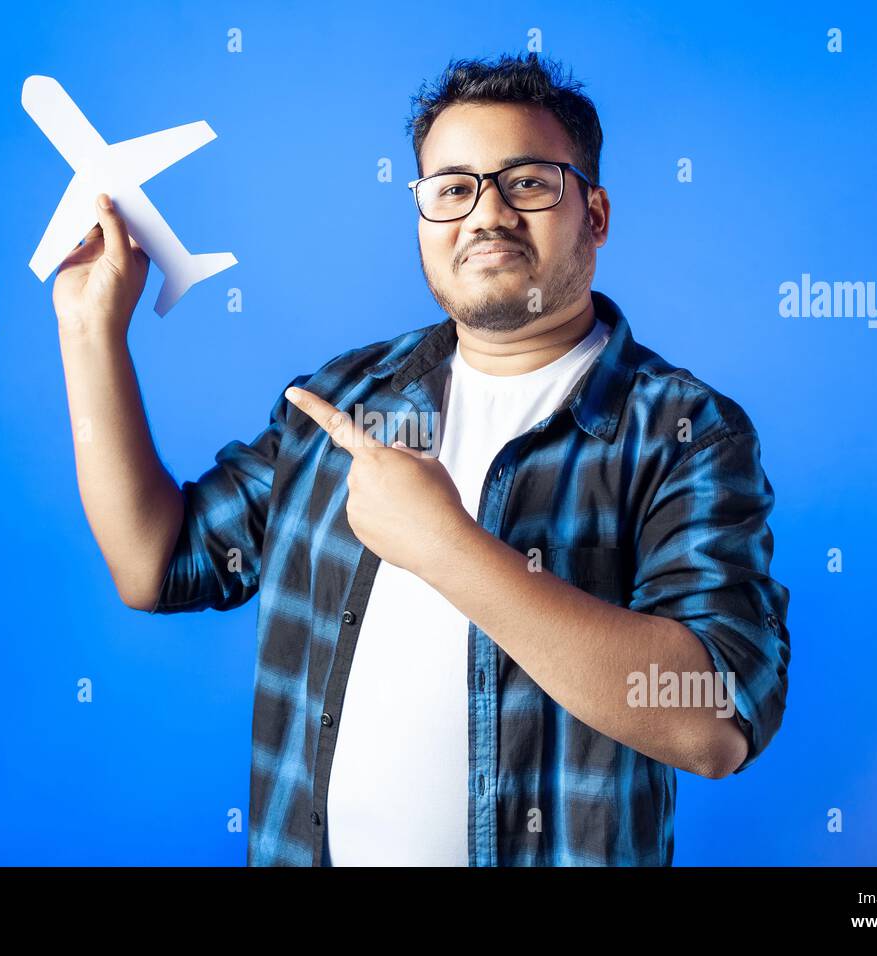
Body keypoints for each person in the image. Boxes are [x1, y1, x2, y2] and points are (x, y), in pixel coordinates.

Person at [49, 51, 790, 867]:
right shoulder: (342, 399)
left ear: (597, 214)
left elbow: (714, 719)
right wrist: (90, 330)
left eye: (529, 182)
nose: (487, 214)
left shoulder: (682, 431)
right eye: (452, 188)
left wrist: (443, 545)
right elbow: (155, 563)